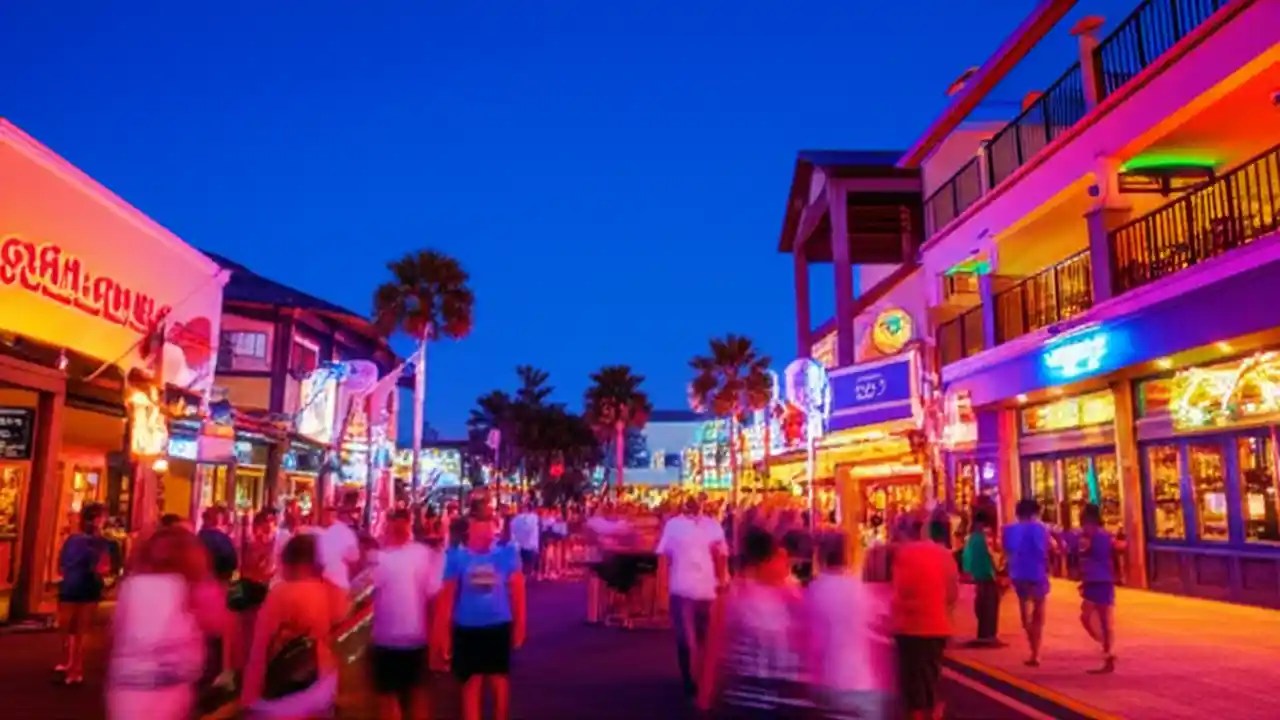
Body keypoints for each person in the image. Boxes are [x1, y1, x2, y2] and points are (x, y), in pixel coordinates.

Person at [107, 525, 225, 720]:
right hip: (170, 686)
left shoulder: (133, 586)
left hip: (127, 685)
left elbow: (115, 634)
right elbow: (217, 622)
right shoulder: (191, 588)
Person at [697, 527, 809, 719]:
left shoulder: (786, 594)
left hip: (764, 695)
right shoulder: (740, 598)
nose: (785, 566)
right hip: (758, 694)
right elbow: (714, 650)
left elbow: (713, 651)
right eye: (779, 559)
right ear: (765, 561)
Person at [241, 533, 350, 719]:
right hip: (324, 680)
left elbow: (261, 647)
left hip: (288, 688)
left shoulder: (283, 594)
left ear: (292, 561)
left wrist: (249, 697)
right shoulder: (333, 592)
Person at [435, 505, 527, 720]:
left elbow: (518, 591)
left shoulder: (506, 553)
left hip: (498, 625)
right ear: (471, 529)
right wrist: (443, 634)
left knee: (499, 680)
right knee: (470, 683)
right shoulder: (456, 557)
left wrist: (521, 624)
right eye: (480, 525)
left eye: (489, 525)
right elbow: (447, 596)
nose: (486, 531)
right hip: (467, 627)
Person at [806, 532, 892, 720]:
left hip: (826, 683)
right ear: (849, 555)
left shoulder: (813, 591)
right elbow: (882, 627)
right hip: (861, 684)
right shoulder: (860, 590)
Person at [370, 508, 445, 720]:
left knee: (397, 697)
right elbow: (434, 595)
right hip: (403, 638)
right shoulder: (387, 557)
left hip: (398, 639)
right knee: (411, 696)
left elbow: (434, 597)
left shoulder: (384, 558)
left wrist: (436, 635)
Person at [656, 496, 728, 699]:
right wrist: (663, 587)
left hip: (707, 589)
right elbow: (664, 555)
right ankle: (689, 680)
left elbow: (722, 555)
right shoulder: (674, 525)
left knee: (703, 638)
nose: (694, 506)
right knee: (687, 639)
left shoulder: (713, 526)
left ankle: (701, 678)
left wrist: (721, 581)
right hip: (682, 588)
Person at [891, 513, 959, 720]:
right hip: (936, 625)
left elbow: (898, 590)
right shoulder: (944, 555)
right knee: (931, 678)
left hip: (908, 627)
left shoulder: (901, 554)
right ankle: (934, 710)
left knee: (913, 687)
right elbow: (952, 594)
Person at [55, 502, 112, 685]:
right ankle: (76, 668)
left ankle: (69, 663)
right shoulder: (102, 543)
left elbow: (61, 564)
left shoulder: (72, 540)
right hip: (88, 585)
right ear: (98, 519)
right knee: (81, 630)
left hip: (70, 585)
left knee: (70, 628)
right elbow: (103, 567)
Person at [1003, 499, 1051, 666]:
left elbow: (1007, 552)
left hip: (1019, 574)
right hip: (1038, 573)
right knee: (1039, 613)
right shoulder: (1042, 529)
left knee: (1025, 616)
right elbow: (1047, 550)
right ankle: (1036, 652)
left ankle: (1034, 649)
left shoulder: (1009, 530)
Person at [1078, 503, 1117, 674]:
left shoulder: (1098, 537)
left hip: (1101, 580)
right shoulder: (1100, 537)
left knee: (1101, 619)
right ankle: (1107, 648)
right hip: (1096, 580)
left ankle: (1108, 651)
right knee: (1091, 617)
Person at [961, 508, 1002, 647]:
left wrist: (968, 571)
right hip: (988, 575)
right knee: (990, 604)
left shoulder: (971, 538)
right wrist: (997, 571)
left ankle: (984, 633)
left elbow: (966, 557)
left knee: (981, 604)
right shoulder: (985, 537)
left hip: (977, 576)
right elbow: (992, 557)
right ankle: (989, 634)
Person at [317, 502, 362, 592]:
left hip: (332, 584)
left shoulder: (343, 532)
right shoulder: (344, 532)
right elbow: (354, 557)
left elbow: (354, 557)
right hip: (330, 584)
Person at [509, 503, 541, 580]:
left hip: (525, 545)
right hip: (525, 545)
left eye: (524, 508)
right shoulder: (532, 518)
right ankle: (524, 578)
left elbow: (512, 529)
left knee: (525, 564)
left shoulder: (531, 518)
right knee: (525, 564)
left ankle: (524, 578)